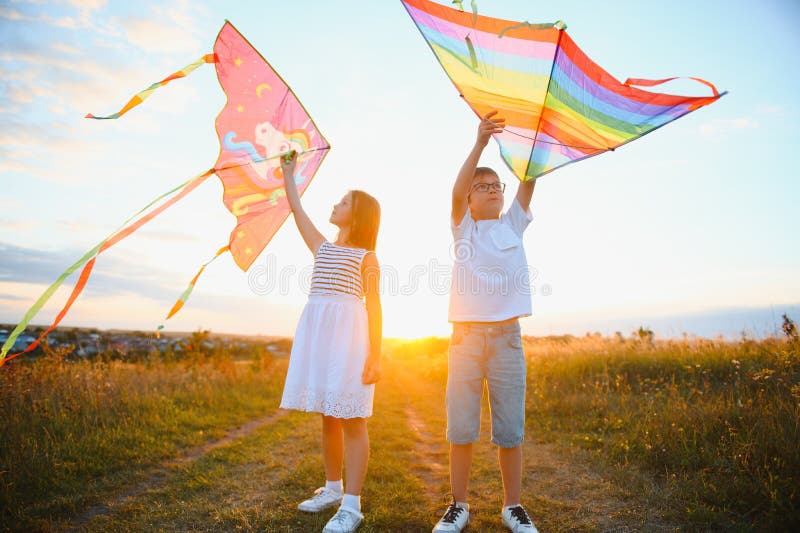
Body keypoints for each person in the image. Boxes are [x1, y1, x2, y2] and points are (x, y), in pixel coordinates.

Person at [432, 111, 538, 533]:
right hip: (466, 340)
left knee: (510, 428)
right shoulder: (464, 230)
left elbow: (530, 180)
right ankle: (458, 505)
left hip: (508, 339)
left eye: (497, 186)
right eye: (483, 186)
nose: (491, 190)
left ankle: (512, 507)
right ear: (472, 199)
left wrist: (535, 147)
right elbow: (455, 192)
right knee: (461, 426)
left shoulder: (513, 224)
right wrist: (479, 143)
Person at [278, 151, 382, 533]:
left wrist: (376, 355)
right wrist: (289, 174)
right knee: (328, 414)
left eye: (343, 202)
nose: (335, 205)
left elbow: (375, 309)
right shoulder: (323, 248)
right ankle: (333, 488)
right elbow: (296, 211)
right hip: (319, 338)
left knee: (353, 419)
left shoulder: (367, 257)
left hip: (350, 342)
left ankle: (352, 506)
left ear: (358, 215)